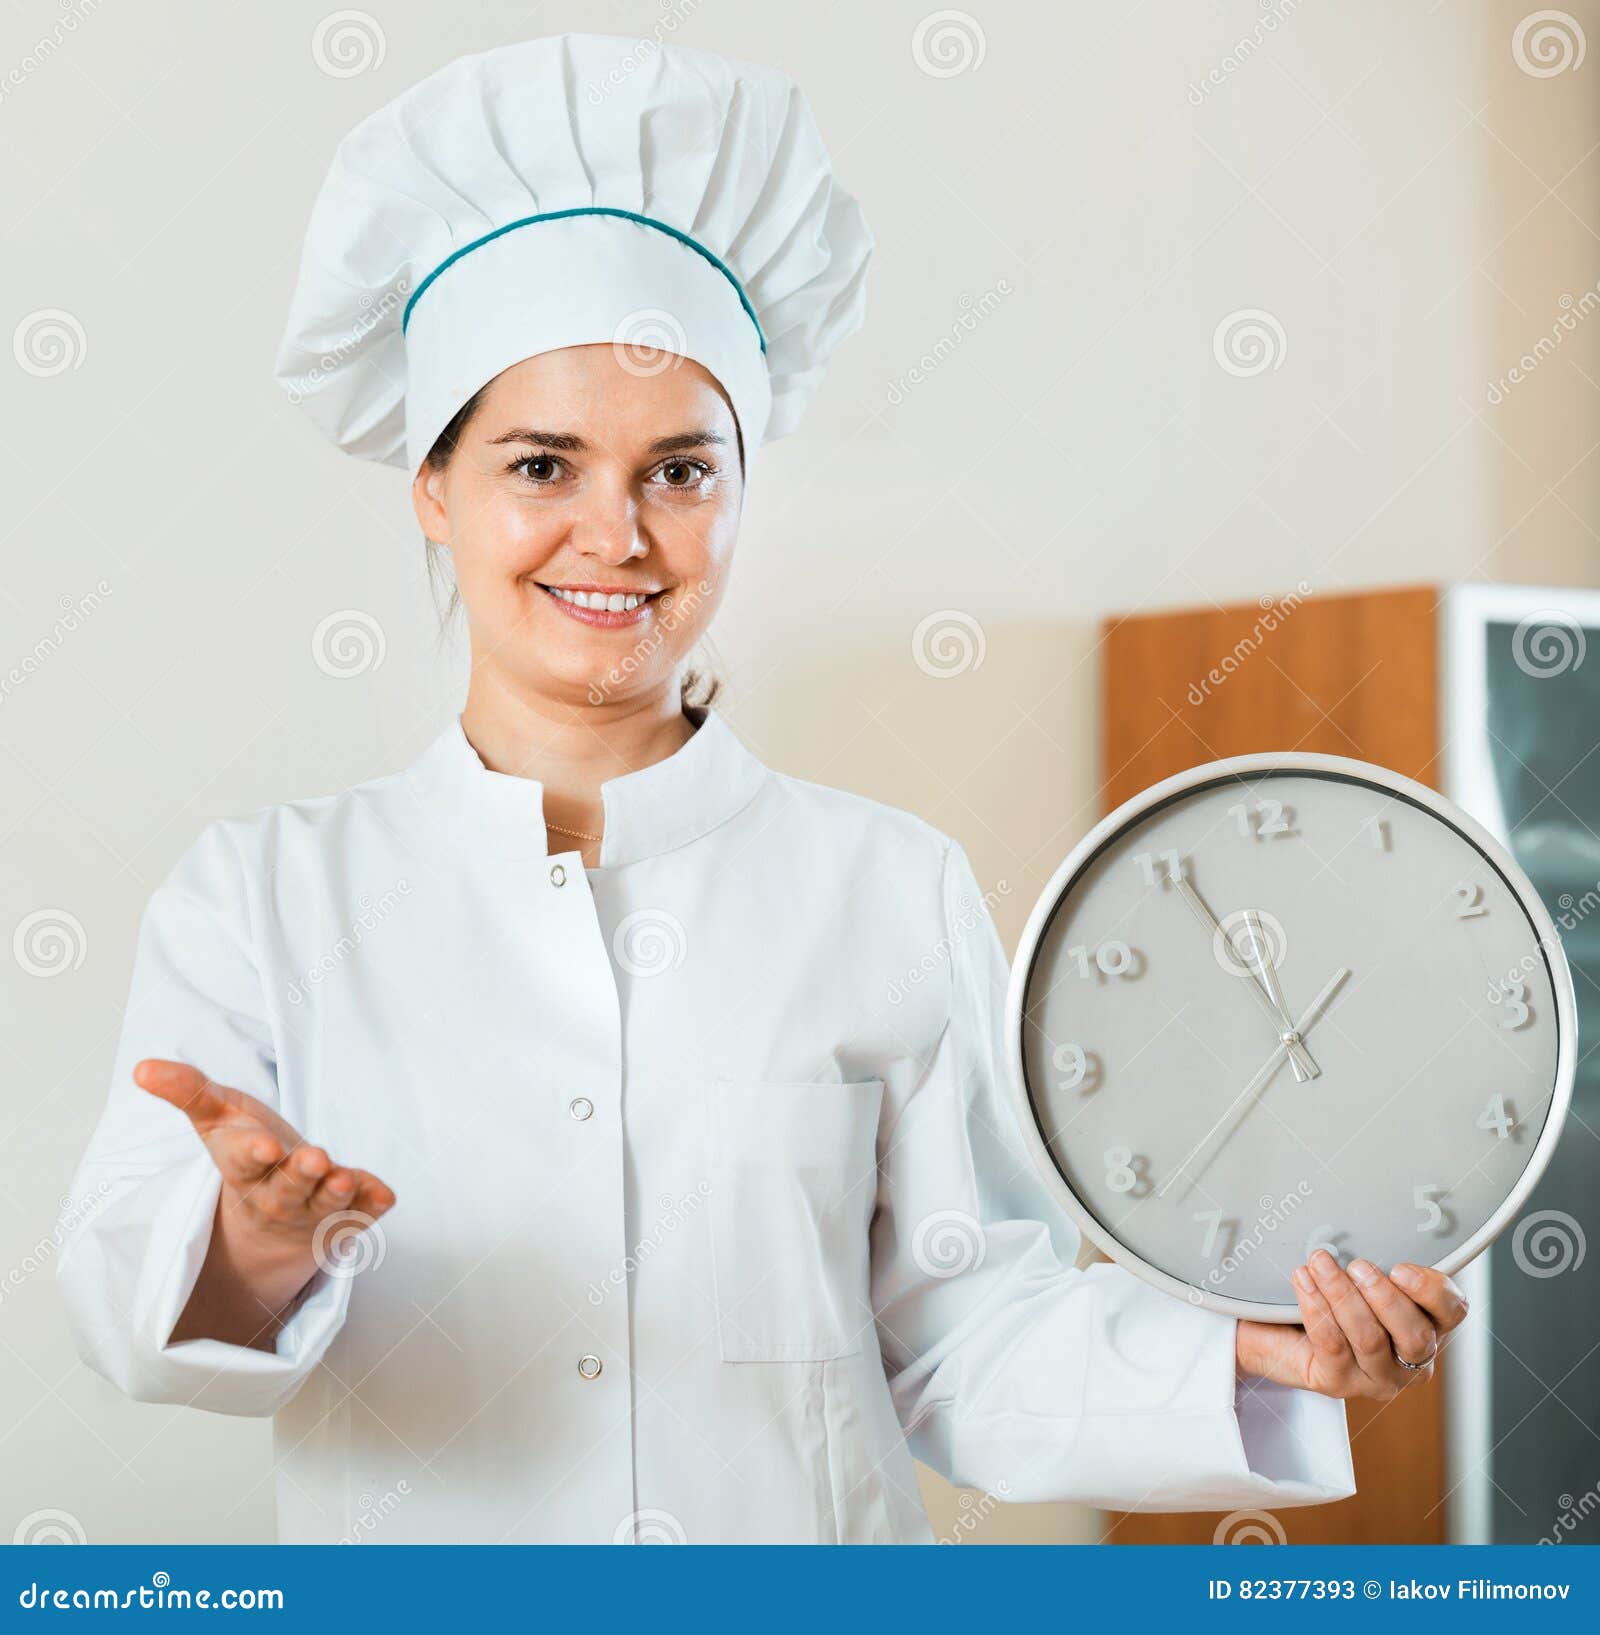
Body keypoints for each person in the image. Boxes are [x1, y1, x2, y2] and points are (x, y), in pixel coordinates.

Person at [56, 32, 1464, 1546]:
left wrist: (1255, 1367)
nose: (618, 534)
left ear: (740, 487)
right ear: (433, 485)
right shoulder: (267, 894)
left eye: (681, 469)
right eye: (542, 465)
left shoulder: (887, 883)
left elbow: (972, 1333)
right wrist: (257, 1241)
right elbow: (132, 1304)